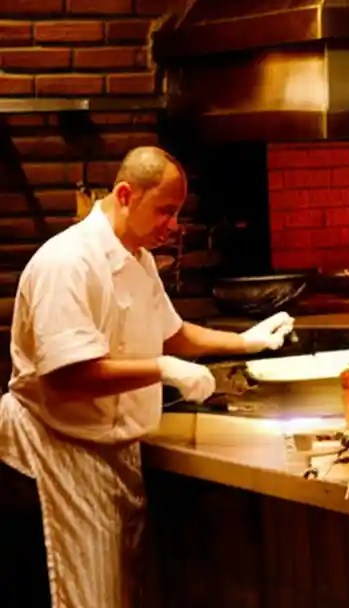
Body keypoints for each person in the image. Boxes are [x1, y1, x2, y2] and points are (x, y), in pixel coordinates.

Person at [0, 146, 295, 607]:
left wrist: (244, 342)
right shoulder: (68, 263)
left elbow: (172, 332)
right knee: (87, 598)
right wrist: (160, 370)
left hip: (114, 452)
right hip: (58, 451)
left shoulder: (135, 257)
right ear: (124, 195)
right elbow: (67, 377)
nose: (173, 226)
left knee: (123, 591)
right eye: (166, 210)